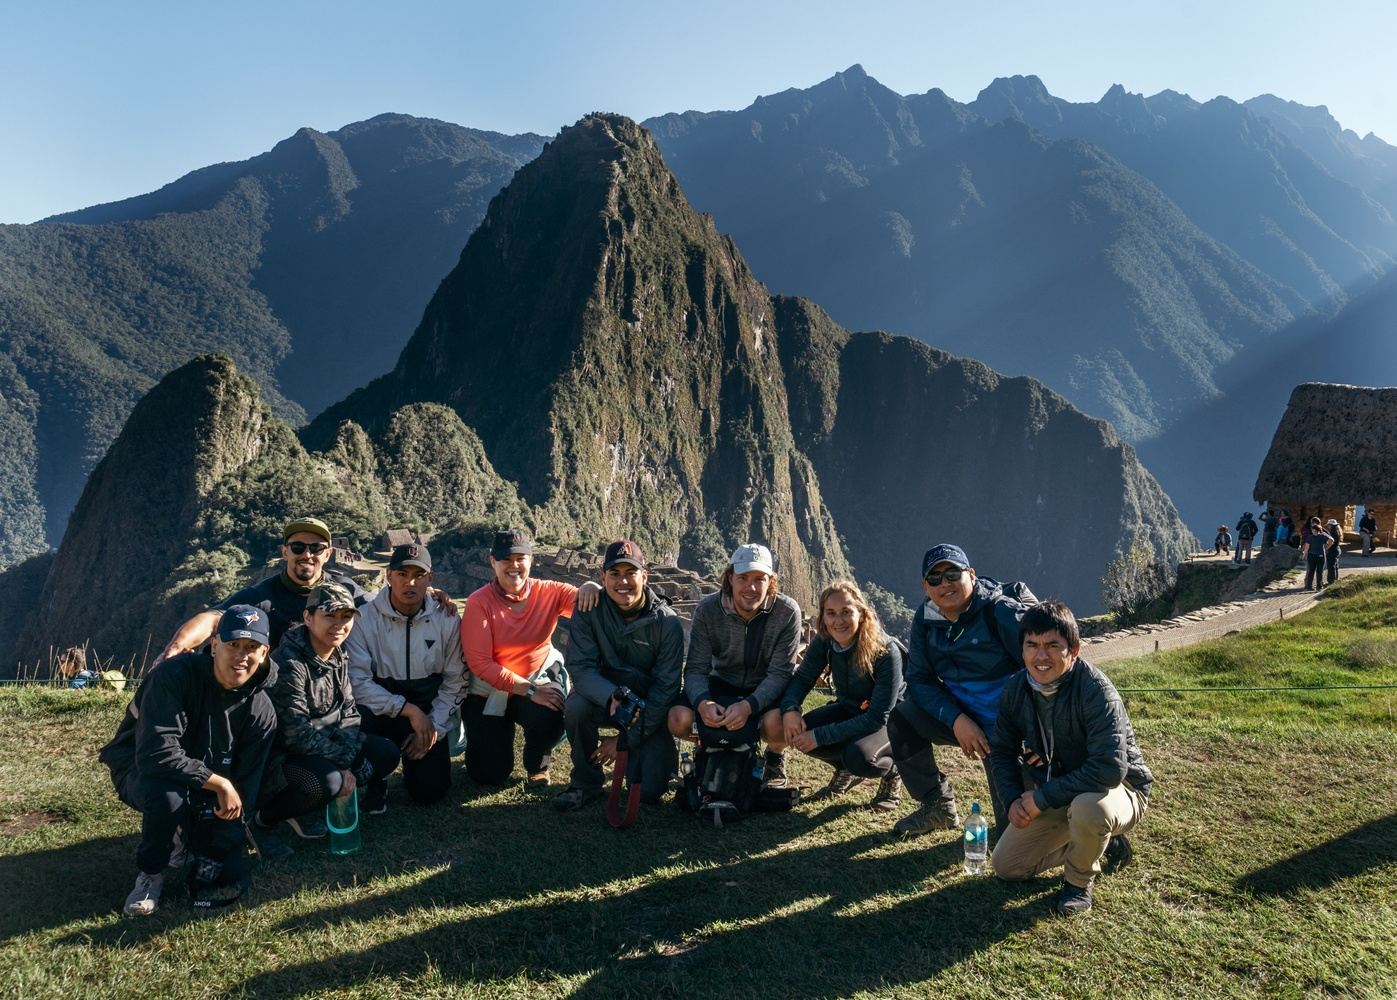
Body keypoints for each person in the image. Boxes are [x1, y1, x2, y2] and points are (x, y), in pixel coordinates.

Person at [98, 605, 278, 917]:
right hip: (143, 769)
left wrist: (226, 832)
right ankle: (150, 874)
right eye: (232, 644)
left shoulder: (261, 710)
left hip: (205, 778)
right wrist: (219, 783)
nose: (241, 656)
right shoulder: (173, 676)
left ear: (265, 652)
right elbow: (156, 754)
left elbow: (247, 781)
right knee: (168, 797)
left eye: (251, 648)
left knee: (227, 867)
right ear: (214, 645)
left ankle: (187, 838)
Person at [990, 600, 1153, 916]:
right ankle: (1098, 842)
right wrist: (1012, 800)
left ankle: (1078, 883)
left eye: (1053, 645)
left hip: (1121, 789)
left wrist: (1040, 798)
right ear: (1021, 650)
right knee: (1007, 866)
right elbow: (1002, 749)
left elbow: (1110, 769)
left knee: (1088, 809)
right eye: (1032, 645)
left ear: (1074, 650)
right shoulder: (1016, 690)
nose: (1041, 656)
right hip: (1061, 789)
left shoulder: (1095, 691)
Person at [887, 543, 1033, 837]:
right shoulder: (926, 620)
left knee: (1015, 833)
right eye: (935, 578)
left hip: (1011, 728)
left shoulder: (999, 612)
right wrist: (957, 720)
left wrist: (1037, 732)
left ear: (971, 575)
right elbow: (919, 680)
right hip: (966, 716)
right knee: (903, 718)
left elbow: (1046, 669)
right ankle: (937, 805)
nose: (945, 584)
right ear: (925, 586)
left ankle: (1095, 827)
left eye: (953, 574)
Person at [251, 582, 401, 853]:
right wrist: (345, 764)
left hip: (327, 745)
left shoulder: (338, 653)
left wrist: (349, 756)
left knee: (386, 754)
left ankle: (319, 803)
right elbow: (296, 733)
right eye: (330, 615)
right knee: (327, 781)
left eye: (346, 616)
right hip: (284, 758)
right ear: (308, 618)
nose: (339, 624)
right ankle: (262, 822)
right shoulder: (289, 664)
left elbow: (349, 712)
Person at [459, 529, 601, 787]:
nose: (514, 566)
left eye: (520, 558)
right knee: (487, 774)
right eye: (505, 559)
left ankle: (538, 762)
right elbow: (481, 664)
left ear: (530, 560)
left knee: (551, 711)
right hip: (490, 690)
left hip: (537, 675)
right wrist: (529, 690)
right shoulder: (479, 603)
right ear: (493, 561)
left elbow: (586, 602)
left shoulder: (549, 592)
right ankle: (494, 736)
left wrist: (591, 586)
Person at [554, 540, 683, 811]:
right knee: (576, 707)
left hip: (648, 710)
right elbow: (581, 668)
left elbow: (666, 689)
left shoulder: (667, 623)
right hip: (606, 700)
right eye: (615, 574)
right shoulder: (589, 611)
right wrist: (610, 696)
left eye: (630, 573)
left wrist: (623, 741)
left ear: (644, 576)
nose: (622, 582)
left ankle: (645, 754)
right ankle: (585, 783)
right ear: (603, 577)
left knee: (650, 791)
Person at [668, 543, 802, 786]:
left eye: (759, 579)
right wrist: (703, 703)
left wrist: (749, 707)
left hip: (763, 688)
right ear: (730, 578)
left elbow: (780, 673)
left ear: (770, 581)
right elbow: (696, 667)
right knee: (678, 718)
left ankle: (774, 756)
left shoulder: (786, 612)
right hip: (720, 683)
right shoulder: (709, 609)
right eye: (743, 578)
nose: (750, 587)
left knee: (778, 726)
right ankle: (705, 744)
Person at [346, 543, 466, 810]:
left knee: (430, 792)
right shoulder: (364, 620)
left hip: (427, 707)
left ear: (430, 579)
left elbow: (456, 679)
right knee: (358, 718)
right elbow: (358, 682)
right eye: (402, 574)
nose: (409, 582)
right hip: (381, 709)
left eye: (418, 575)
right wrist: (408, 710)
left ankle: (417, 758)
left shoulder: (447, 619)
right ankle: (377, 779)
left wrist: (433, 725)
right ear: (388, 576)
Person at [154, 518, 368, 662]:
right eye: (298, 547)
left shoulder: (344, 590)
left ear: (328, 554)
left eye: (316, 548)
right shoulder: (263, 596)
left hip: (333, 686)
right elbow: (213, 618)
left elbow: (384, 608)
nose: (307, 554)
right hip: (279, 694)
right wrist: (176, 647)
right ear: (285, 552)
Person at [779, 580, 904, 812]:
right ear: (823, 618)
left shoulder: (885, 651)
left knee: (861, 758)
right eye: (831, 613)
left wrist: (820, 736)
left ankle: (893, 772)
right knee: (800, 732)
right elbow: (803, 678)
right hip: (850, 708)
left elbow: (877, 717)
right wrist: (790, 709)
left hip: (890, 720)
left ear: (861, 613)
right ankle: (845, 770)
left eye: (846, 612)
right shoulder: (826, 641)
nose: (839, 621)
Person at [1301, 516, 1333, 591]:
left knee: (1311, 571)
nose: (1313, 531)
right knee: (1319, 572)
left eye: (1313, 530)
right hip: (1320, 556)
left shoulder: (1310, 537)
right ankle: (1318, 586)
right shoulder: (1323, 536)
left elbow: (1306, 548)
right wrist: (1326, 548)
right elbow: (1331, 541)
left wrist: (1304, 555)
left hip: (1312, 556)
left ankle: (1309, 586)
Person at [1325, 517, 1343, 585]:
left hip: (1332, 551)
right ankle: (1335, 579)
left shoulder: (1332, 533)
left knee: (1331, 566)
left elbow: (1331, 543)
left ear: (1331, 525)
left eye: (1329, 525)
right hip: (1337, 549)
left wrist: (1326, 548)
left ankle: (1331, 581)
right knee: (1335, 566)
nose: (1328, 526)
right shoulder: (1338, 531)